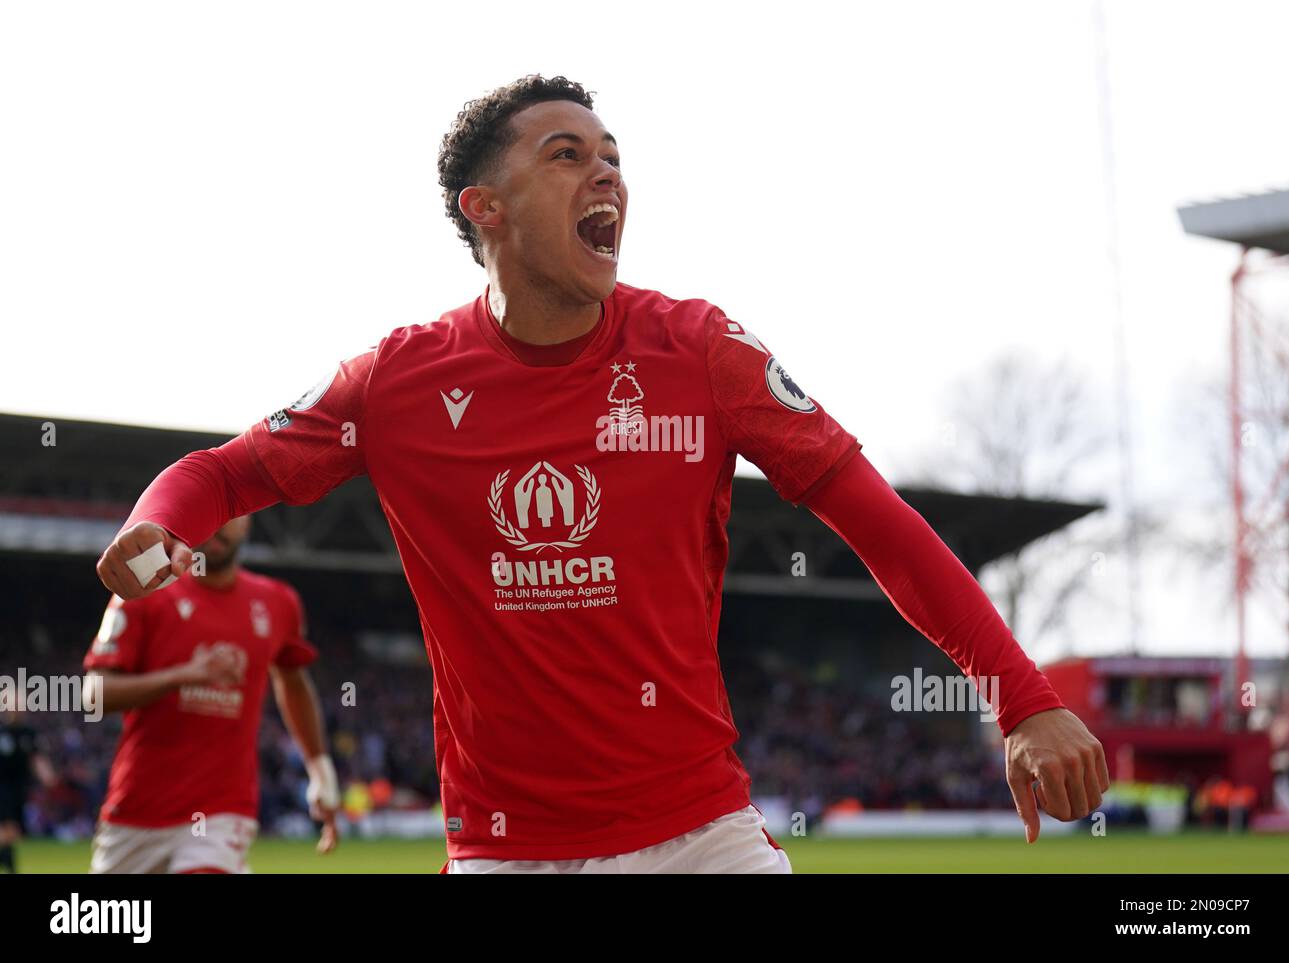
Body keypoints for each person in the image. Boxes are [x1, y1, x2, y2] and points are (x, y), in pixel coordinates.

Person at [95, 75, 1108, 874]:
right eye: (567, 156)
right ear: (484, 207)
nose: (607, 177)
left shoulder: (703, 351)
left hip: (700, 837)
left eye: (614, 158)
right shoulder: (399, 380)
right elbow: (222, 473)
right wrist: (157, 521)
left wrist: (1018, 695)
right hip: (500, 848)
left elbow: (874, 517)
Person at [85, 516, 339, 873]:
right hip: (136, 813)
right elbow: (94, 694)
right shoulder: (142, 592)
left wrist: (320, 769)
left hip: (222, 813)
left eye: (230, 515)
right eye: (207, 512)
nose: (216, 525)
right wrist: (186, 675)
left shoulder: (278, 603)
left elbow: (293, 682)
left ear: (248, 523)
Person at [0, 710, 55, 873]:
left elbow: (37, 758)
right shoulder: (2, 731)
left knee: (13, 832)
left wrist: (48, 777)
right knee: (9, 828)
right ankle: (12, 868)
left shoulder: (28, 733)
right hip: (2, 788)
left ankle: (9, 865)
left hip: (19, 789)